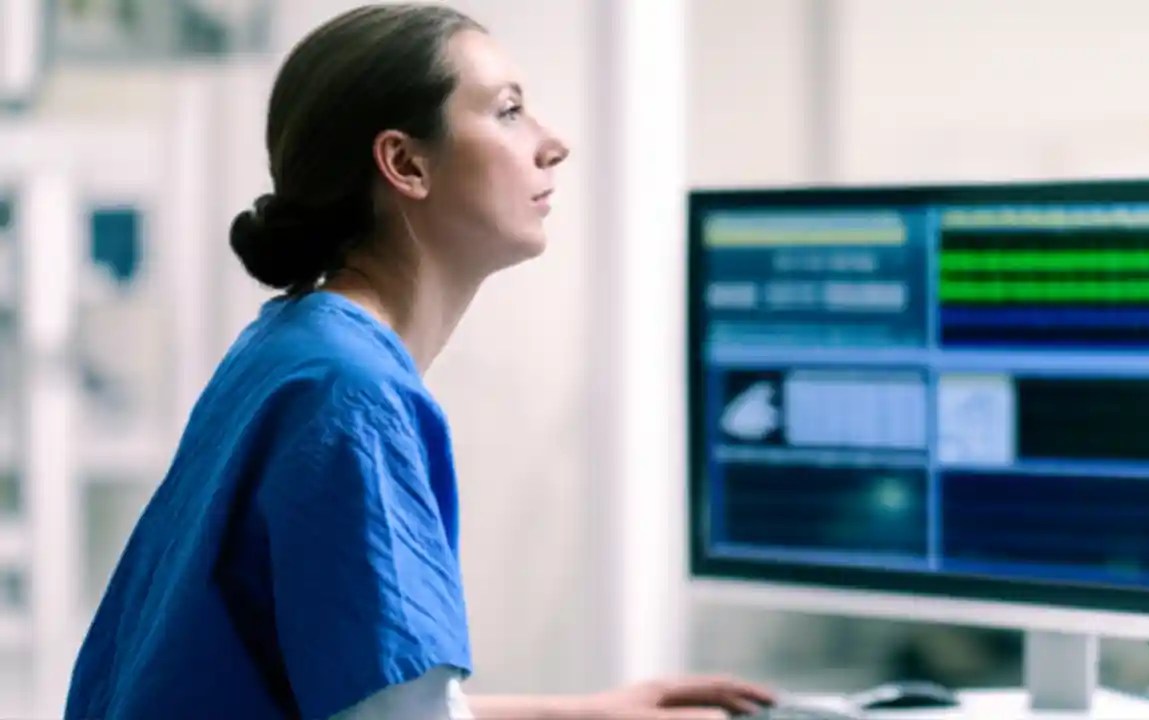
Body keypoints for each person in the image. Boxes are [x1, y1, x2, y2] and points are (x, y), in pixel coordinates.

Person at [63, 3, 777, 720]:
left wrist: (590, 712)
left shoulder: (292, 347)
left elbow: (385, 708)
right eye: (508, 112)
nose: (553, 144)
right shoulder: (351, 395)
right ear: (406, 164)